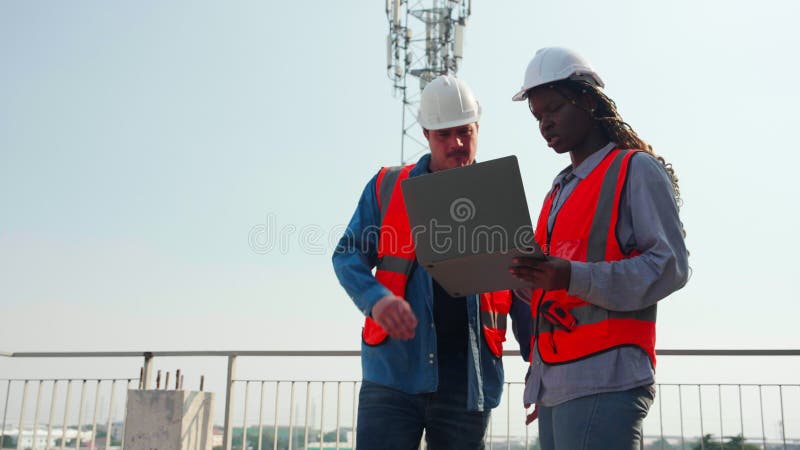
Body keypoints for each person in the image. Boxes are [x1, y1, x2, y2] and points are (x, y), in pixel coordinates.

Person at [332, 75, 530, 450]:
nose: (456, 143)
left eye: (464, 132)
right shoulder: (388, 187)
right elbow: (347, 254)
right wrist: (377, 299)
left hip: (468, 384)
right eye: (444, 135)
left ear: (477, 129)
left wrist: (539, 364)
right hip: (393, 380)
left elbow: (522, 290)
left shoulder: (497, 196)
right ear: (425, 134)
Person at [508, 47, 689, 450]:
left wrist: (570, 275)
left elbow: (670, 265)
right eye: (538, 117)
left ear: (587, 100)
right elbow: (550, 288)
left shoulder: (635, 169)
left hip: (605, 378)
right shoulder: (557, 192)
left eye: (553, 109)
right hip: (555, 383)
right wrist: (526, 281)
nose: (545, 124)